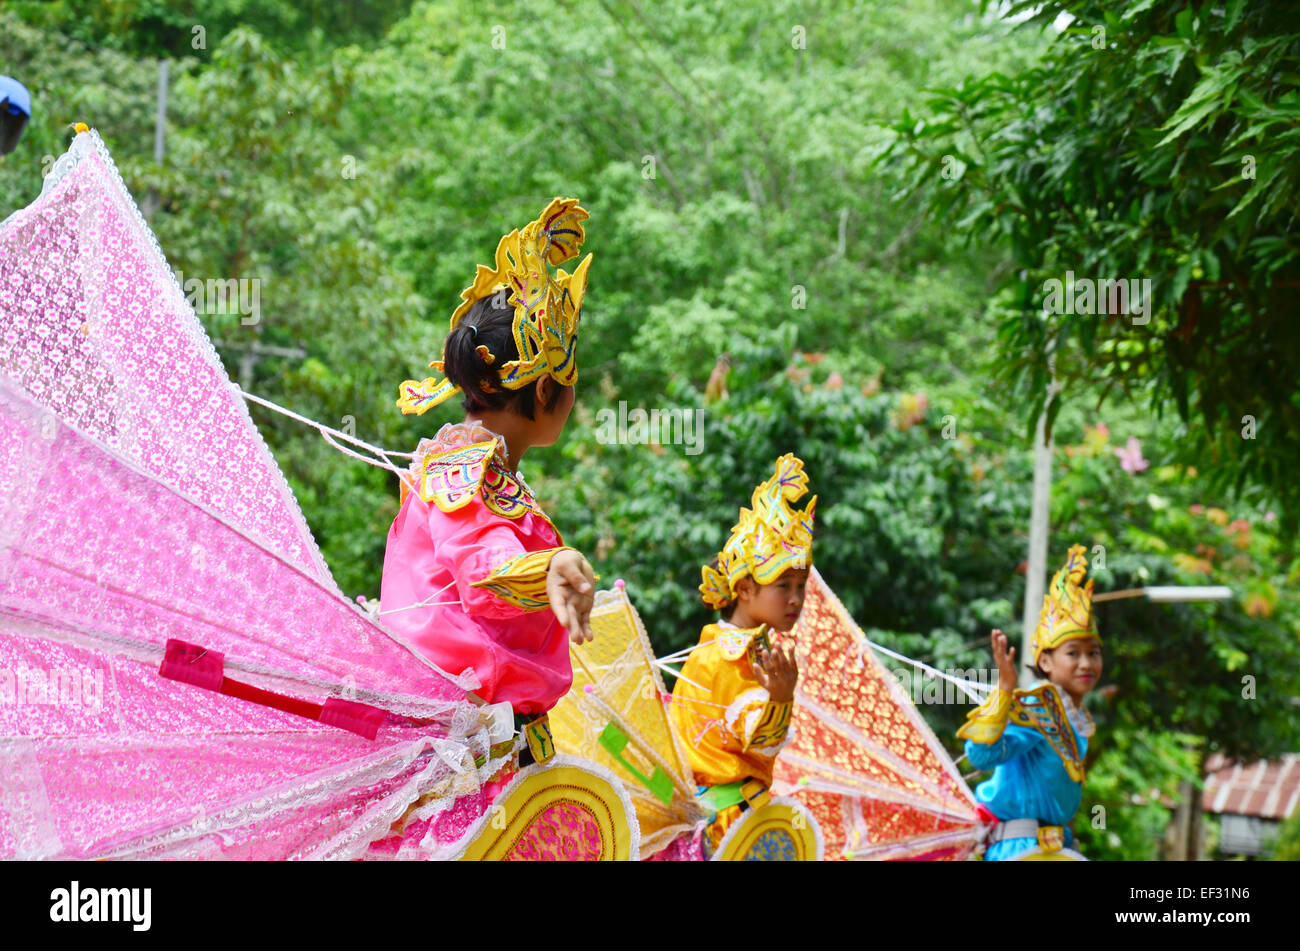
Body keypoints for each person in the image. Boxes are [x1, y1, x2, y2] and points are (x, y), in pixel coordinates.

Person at [380, 197, 598, 796]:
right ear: (549, 387)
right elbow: (484, 570)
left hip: (494, 749)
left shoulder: (481, 467)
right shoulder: (462, 467)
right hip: (469, 761)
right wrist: (548, 567)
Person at [668, 453, 815, 855]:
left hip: (738, 820)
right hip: (726, 829)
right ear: (745, 589)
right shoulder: (726, 656)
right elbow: (759, 740)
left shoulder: (739, 646)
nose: (796, 599)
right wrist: (780, 701)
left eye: (801, 586)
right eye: (783, 585)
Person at [958, 543, 1102, 860]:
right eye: (1073, 653)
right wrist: (1005, 690)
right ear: (1046, 662)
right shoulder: (1039, 707)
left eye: (1093, 653)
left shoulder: (1075, 717)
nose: (1086, 664)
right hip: (1019, 850)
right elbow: (981, 755)